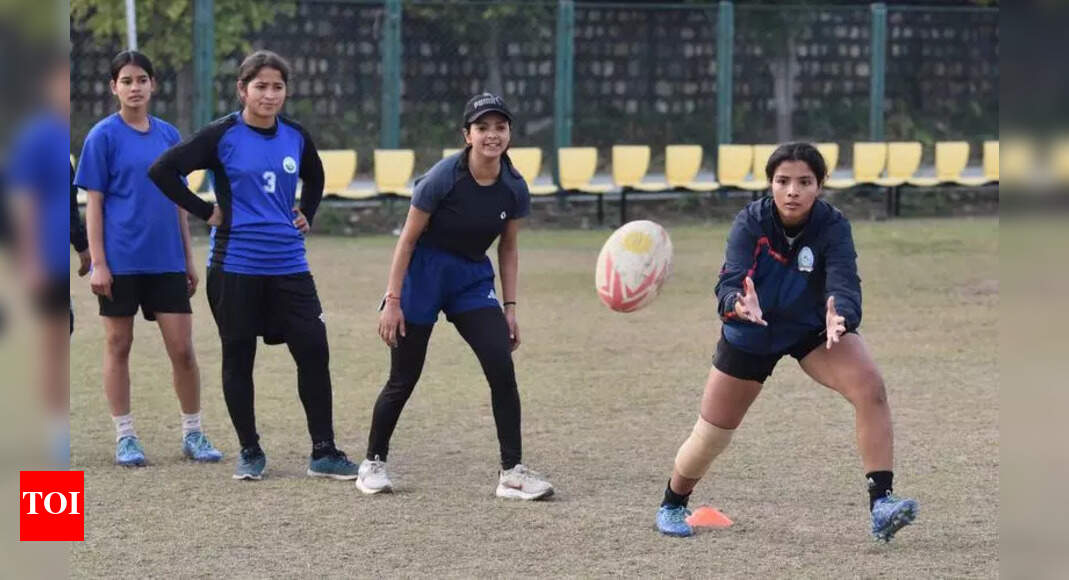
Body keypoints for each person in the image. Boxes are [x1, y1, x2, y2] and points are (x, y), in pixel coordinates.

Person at [654, 142, 918, 541]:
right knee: (712, 435)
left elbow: (844, 282)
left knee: (870, 387)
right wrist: (738, 304)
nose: (792, 190)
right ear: (770, 185)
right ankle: (673, 502)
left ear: (820, 186)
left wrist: (840, 314)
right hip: (751, 332)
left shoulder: (832, 226)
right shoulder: (751, 222)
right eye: (782, 181)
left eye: (804, 182)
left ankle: (882, 503)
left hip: (812, 329)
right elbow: (728, 282)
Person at [148, 50, 358, 482]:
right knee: (238, 358)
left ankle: (324, 451)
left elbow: (314, 177)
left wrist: (309, 212)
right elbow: (163, 170)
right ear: (242, 89)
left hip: (290, 266)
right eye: (260, 86)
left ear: (286, 92)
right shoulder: (221, 135)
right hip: (236, 267)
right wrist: (204, 210)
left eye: (277, 87)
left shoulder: (296, 136)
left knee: (314, 352)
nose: (269, 94)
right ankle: (250, 450)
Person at [356, 93, 553, 500]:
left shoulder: (513, 186)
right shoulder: (443, 177)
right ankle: (373, 462)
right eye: (483, 128)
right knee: (404, 376)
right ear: (467, 135)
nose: (492, 135)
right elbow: (407, 241)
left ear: (509, 134)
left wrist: (510, 308)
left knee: (501, 364)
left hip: (470, 277)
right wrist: (393, 300)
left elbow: (509, 248)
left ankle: (512, 473)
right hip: (424, 273)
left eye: (500, 127)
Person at [75, 51, 222, 466]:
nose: (134, 87)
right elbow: (95, 205)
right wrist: (99, 262)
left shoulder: (168, 135)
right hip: (120, 262)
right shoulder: (101, 137)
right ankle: (125, 436)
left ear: (153, 85)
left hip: (167, 261)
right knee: (118, 345)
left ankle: (193, 432)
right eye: (126, 80)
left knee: (183, 349)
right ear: (114, 87)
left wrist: (188, 260)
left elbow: (177, 201)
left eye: (142, 79)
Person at [7, 50, 75, 467]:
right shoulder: (35, 134)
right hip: (42, 263)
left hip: (60, 263)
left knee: (56, 342)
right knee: (47, 345)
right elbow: (23, 201)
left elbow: (66, 202)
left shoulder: (63, 136)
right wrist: (29, 260)